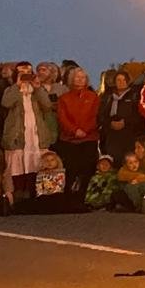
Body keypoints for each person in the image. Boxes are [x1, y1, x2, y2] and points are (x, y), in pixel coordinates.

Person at [0, 62, 55, 197]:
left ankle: (34, 195)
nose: (26, 75)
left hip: (35, 135)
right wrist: (17, 86)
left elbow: (47, 106)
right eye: (22, 73)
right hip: (17, 135)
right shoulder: (10, 89)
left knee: (35, 165)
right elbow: (6, 103)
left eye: (28, 72)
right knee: (16, 168)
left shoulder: (37, 90)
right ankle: (18, 196)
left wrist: (37, 88)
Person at [54, 66, 101, 197]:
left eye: (83, 78)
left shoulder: (93, 97)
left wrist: (85, 130)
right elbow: (62, 117)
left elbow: (95, 116)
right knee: (70, 169)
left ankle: (85, 197)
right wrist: (75, 130)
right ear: (71, 79)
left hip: (89, 138)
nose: (80, 80)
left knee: (88, 169)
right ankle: (68, 197)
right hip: (69, 140)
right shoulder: (64, 98)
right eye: (77, 77)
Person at [98, 69, 141, 165]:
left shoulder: (134, 96)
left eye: (124, 80)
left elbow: (138, 115)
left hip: (129, 135)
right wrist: (110, 123)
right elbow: (101, 116)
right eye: (118, 80)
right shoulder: (108, 97)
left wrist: (125, 122)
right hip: (112, 137)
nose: (121, 83)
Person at [115, 136, 145, 212]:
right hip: (133, 186)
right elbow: (121, 174)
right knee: (120, 193)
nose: (135, 151)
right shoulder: (135, 159)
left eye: (139, 147)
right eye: (135, 148)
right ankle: (141, 205)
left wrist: (139, 180)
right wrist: (136, 176)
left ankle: (144, 205)